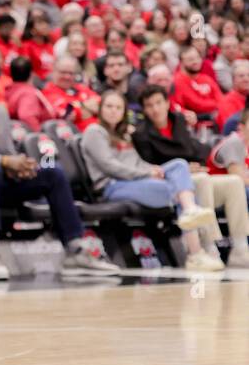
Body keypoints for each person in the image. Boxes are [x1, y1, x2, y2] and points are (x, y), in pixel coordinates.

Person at [0, 61, 120, 276]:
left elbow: (8, 153)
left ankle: (75, 251)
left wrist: (20, 166)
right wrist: (3, 162)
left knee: (53, 173)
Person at [81, 90, 220, 272]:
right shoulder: (94, 131)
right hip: (112, 186)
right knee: (177, 190)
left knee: (179, 165)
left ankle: (191, 212)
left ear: (124, 112)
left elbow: (138, 163)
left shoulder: (123, 135)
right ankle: (195, 253)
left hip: (134, 181)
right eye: (109, 106)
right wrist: (147, 174)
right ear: (100, 109)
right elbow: (110, 167)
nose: (113, 111)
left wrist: (152, 169)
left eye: (118, 107)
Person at [133, 84, 249, 268]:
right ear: (144, 109)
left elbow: (195, 150)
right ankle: (209, 247)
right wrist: (185, 168)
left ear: (167, 103)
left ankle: (241, 248)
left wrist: (198, 166)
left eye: (158, 103)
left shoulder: (178, 121)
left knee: (234, 182)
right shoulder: (141, 134)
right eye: (149, 105)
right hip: (172, 184)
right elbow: (150, 167)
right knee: (202, 181)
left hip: (194, 177)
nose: (155, 109)